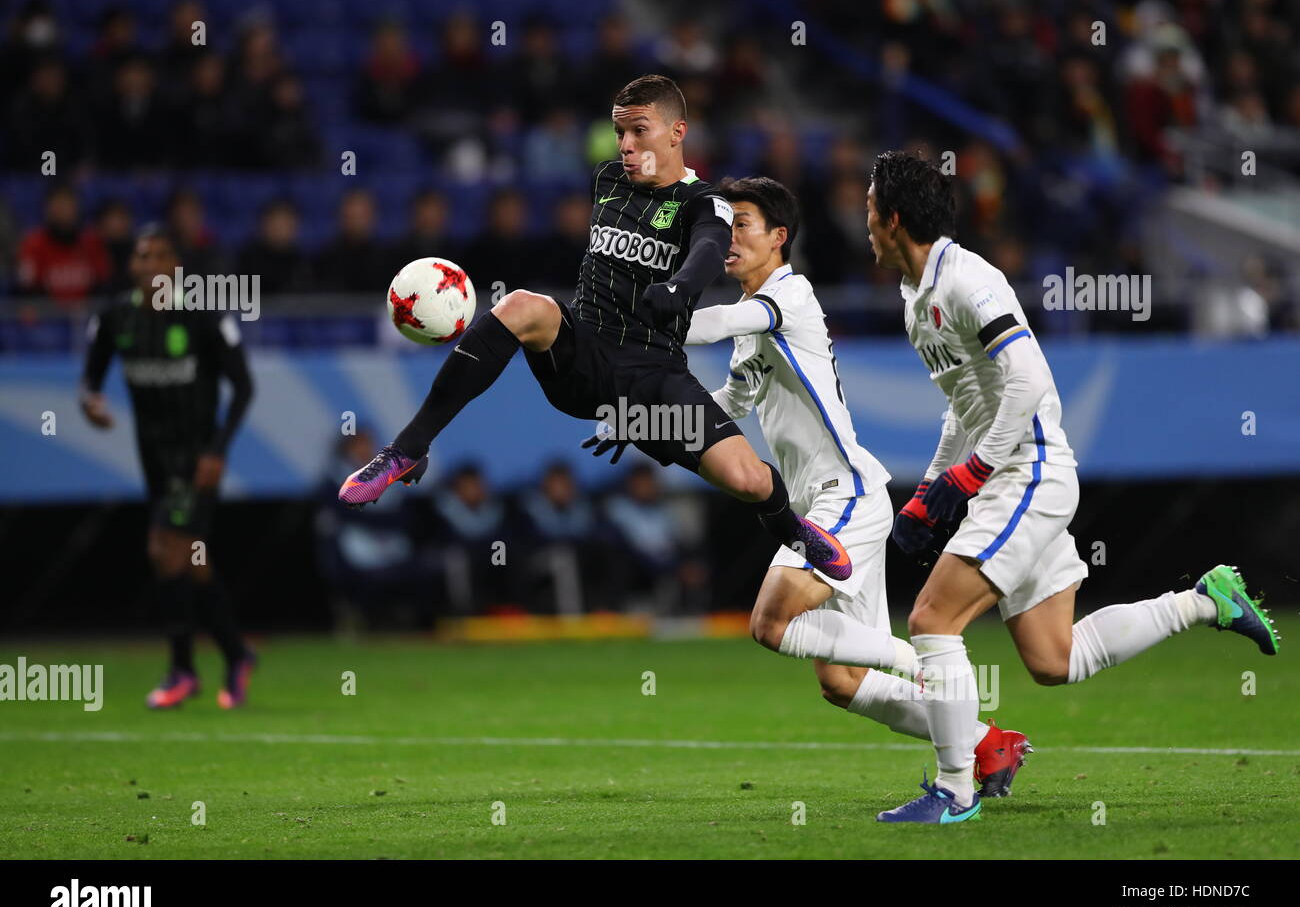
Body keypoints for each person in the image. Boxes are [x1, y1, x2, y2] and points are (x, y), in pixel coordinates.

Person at [865, 151, 1278, 824]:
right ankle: (1206, 602)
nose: (865, 224)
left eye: (870, 210)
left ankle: (955, 791)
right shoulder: (916, 297)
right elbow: (963, 405)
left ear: (895, 218)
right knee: (1055, 660)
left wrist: (968, 475)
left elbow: (1026, 381)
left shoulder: (970, 280)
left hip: (1028, 471)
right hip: (1011, 476)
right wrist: (932, 484)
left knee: (933, 621)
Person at [339, 74, 852, 584]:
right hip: (581, 353)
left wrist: (679, 287)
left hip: (653, 382)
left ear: (677, 133)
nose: (626, 145)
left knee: (748, 478)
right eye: (619, 132)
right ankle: (407, 449)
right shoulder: (606, 180)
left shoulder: (705, 202)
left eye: (639, 132)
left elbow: (709, 248)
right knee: (523, 305)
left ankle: (794, 531)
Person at [663, 175, 1029, 797]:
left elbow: (720, 319)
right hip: (824, 503)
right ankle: (986, 745)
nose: (729, 237)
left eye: (742, 223)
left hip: (847, 496)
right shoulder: (756, 324)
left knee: (771, 624)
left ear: (779, 237)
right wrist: (653, 423)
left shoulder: (791, 293)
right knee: (842, 683)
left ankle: (930, 666)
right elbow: (731, 401)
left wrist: (654, 318)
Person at [80, 227, 256, 709]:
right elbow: (90, 379)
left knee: (164, 548)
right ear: (132, 266)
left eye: (161, 255)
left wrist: (218, 450)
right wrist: (89, 403)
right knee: (193, 558)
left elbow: (243, 387)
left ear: (177, 267)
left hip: (196, 457)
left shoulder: (204, 315)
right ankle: (236, 653)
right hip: (152, 455)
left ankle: (182, 670)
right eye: (142, 255)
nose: (151, 264)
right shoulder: (115, 316)